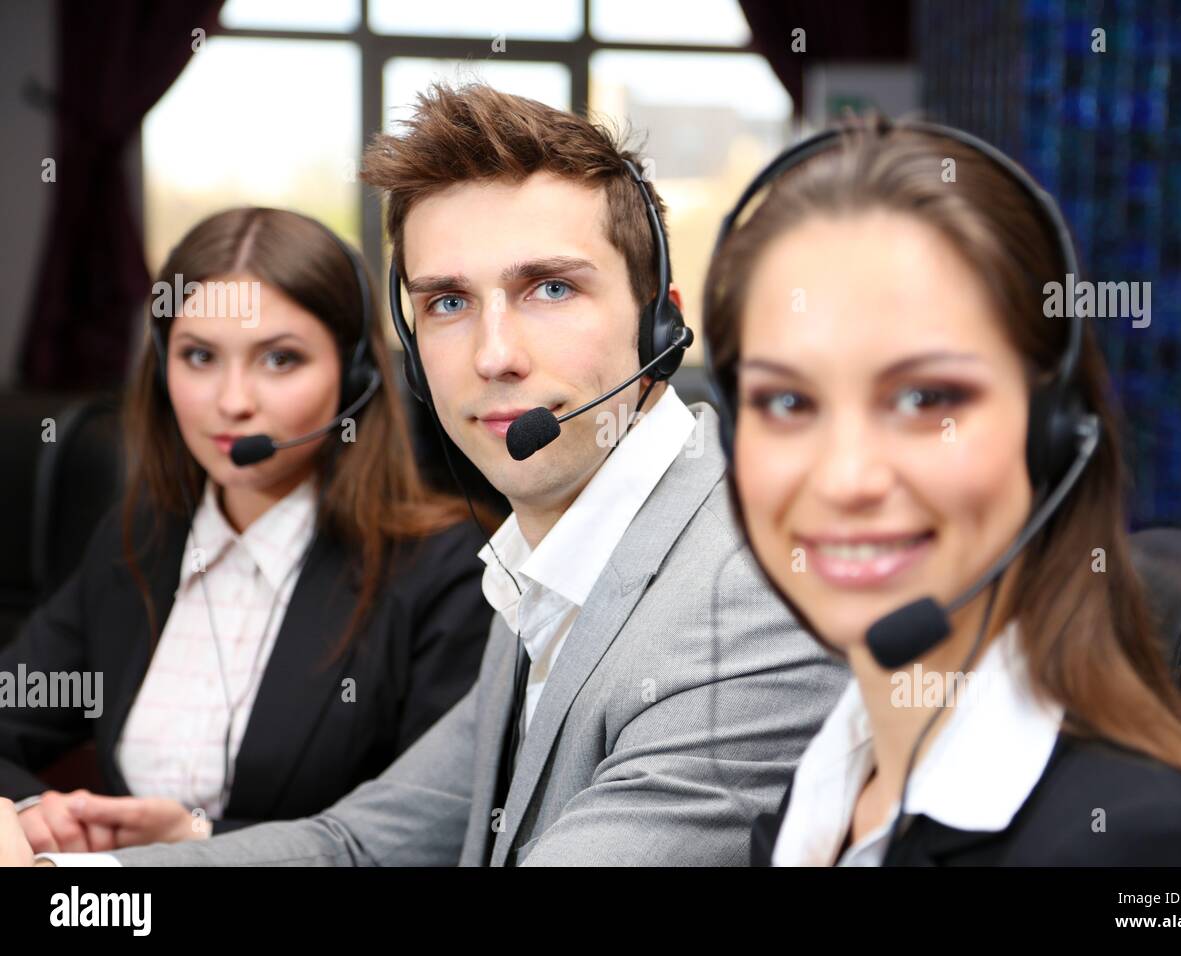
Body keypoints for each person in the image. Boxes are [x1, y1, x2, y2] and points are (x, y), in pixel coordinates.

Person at [9, 83, 845, 867]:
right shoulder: (538, 568)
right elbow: (358, 844)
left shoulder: (750, 591)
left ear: (663, 321)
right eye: (447, 303)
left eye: (550, 288)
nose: (492, 356)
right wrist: (89, 876)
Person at [701, 115, 1181, 865]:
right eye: (787, 403)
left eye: (927, 398)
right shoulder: (840, 779)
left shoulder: (1152, 852)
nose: (846, 477)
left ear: (1055, 431)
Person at [0, 207, 494, 854]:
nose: (232, 401)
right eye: (199, 356)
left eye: (280, 360)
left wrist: (199, 837)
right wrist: (30, 812)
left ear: (354, 379)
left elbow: (433, 835)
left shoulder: (446, 571)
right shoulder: (141, 541)